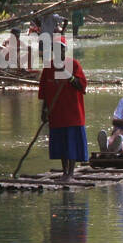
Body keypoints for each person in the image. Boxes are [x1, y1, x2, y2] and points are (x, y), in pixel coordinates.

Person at [37, 38, 88, 182]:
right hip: (56, 112)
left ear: (65, 50)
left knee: (71, 143)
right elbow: (45, 92)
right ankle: (64, 172)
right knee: (60, 144)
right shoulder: (48, 67)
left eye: (62, 48)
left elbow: (81, 85)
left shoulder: (73, 64)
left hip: (73, 113)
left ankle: (71, 173)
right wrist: (44, 111)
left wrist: (67, 74)